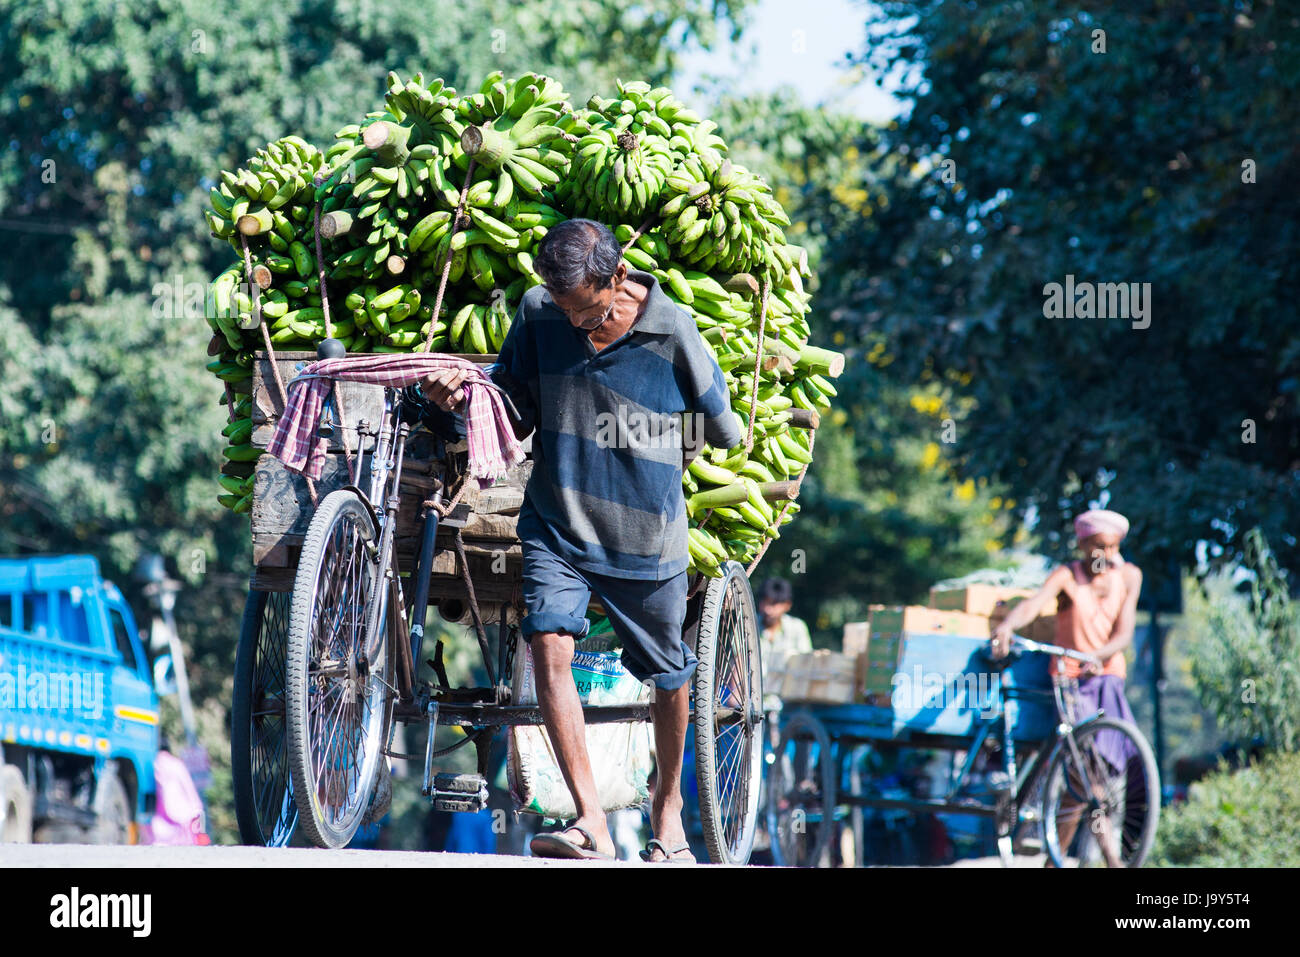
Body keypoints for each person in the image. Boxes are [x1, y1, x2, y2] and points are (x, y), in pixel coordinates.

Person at [420, 219, 741, 862]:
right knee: (547, 644)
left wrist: (644, 451)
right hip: (556, 523)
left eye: (586, 310)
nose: (574, 324)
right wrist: (451, 403)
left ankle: (669, 806)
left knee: (671, 675)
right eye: (564, 309)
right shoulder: (540, 314)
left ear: (618, 279)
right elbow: (512, 409)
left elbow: (723, 431)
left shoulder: (671, 329)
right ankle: (590, 821)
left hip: (645, 536)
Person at [989, 507, 1143, 864]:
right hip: (1070, 682)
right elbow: (1033, 605)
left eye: (1111, 546)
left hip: (1108, 680)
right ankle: (1111, 861)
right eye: (1097, 546)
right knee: (1086, 776)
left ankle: (1056, 859)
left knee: (1092, 782)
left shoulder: (1130, 577)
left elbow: (1124, 634)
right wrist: (1008, 626)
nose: (1103, 555)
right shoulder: (1067, 576)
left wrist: (1098, 655)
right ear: (1082, 543)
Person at [756, 577, 812, 709]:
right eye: (765, 602)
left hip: (789, 702)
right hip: (754, 700)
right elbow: (736, 665)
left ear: (787, 605)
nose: (768, 610)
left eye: (774, 604)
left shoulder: (797, 628)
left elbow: (806, 663)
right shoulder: (747, 626)